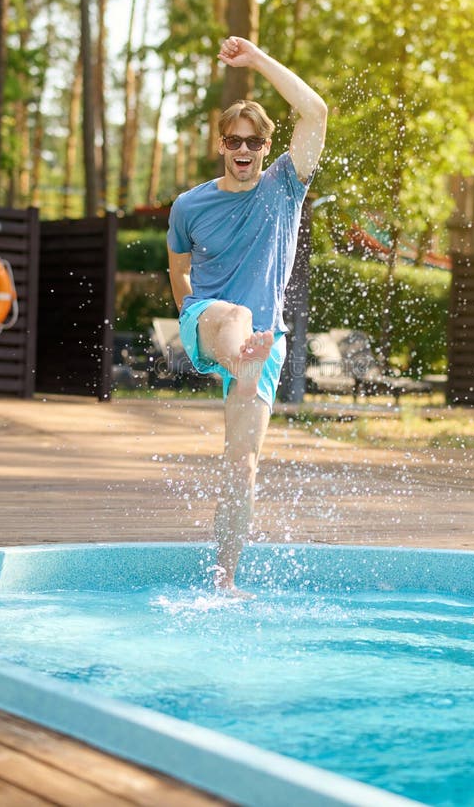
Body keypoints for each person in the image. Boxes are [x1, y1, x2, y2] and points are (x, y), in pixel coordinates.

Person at [167, 36, 327, 595]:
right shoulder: (190, 204)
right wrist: (191, 312)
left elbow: (316, 111)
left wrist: (256, 60)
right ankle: (238, 354)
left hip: (267, 339)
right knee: (234, 313)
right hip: (210, 322)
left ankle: (225, 578)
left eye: (253, 142)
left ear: (266, 146)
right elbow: (179, 269)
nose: (243, 149)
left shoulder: (287, 186)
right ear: (220, 145)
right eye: (233, 140)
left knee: (242, 466)